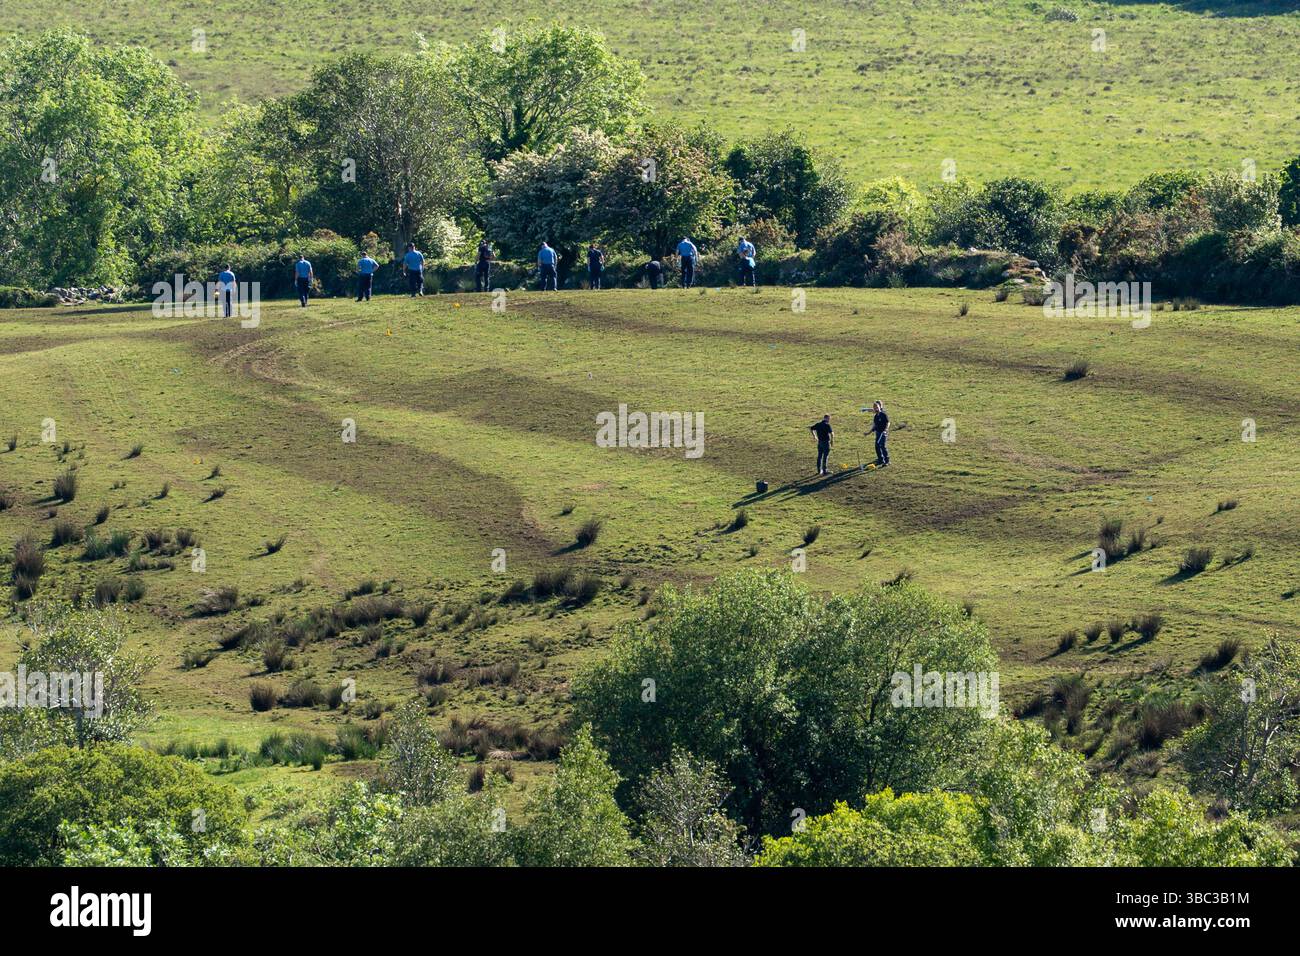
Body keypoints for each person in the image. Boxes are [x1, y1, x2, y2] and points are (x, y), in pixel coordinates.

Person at [868, 401, 890, 467]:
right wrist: (868, 433)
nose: (876, 409)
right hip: (878, 433)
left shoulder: (883, 414)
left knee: (882, 446)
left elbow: (888, 422)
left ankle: (886, 461)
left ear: (880, 407)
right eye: (875, 408)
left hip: (883, 433)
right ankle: (880, 459)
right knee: (877, 446)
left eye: (877, 407)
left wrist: (886, 429)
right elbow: (875, 426)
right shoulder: (876, 416)